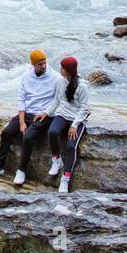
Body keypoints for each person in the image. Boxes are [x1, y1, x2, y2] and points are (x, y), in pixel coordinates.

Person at [0, 49, 57, 185]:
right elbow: (21, 99)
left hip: (43, 115)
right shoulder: (27, 76)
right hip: (26, 113)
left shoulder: (56, 77)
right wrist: (21, 122)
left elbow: (59, 99)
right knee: (7, 132)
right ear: (33, 64)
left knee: (27, 137)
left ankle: (22, 170)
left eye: (44, 63)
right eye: (40, 64)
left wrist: (47, 113)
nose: (43, 66)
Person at [45, 55, 91, 195]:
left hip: (77, 119)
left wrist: (74, 125)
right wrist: (46, 113)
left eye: (63, 68)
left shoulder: (82, 86)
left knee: (71, 146)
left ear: (68, 70)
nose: (60, 70)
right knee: (52, 132)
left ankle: (65, 178)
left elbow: (84, 108)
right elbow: (56, 101)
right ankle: (56, 159)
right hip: (62, 115)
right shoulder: (61, 82)